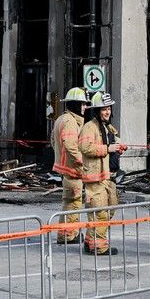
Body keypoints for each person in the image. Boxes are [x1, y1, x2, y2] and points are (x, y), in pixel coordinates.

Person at [79, 92, 125, 256]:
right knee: (100, 213)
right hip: (96, 178)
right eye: (104, 109)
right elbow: (85, 148)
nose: (107, 112)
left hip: (109, 177)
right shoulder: (89, 127)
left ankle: (90, 241)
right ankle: (99, 247)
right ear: (97, 110)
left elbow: (112, 142)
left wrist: (119, 146)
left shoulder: (107, 127)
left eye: (109, 108)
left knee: (110, 209)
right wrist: (107, 149)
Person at [51, 87, 88, 245]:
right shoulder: (70, 122)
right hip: (72, 170)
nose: (85, 107)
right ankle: (69, 235)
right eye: (83, 104)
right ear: (75, 105)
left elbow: (54, 142)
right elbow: (71, 146)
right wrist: (84, 162)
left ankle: (66, 234)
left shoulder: (61, 119)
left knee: (69, 202)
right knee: (74, 203)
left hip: (66, 168)